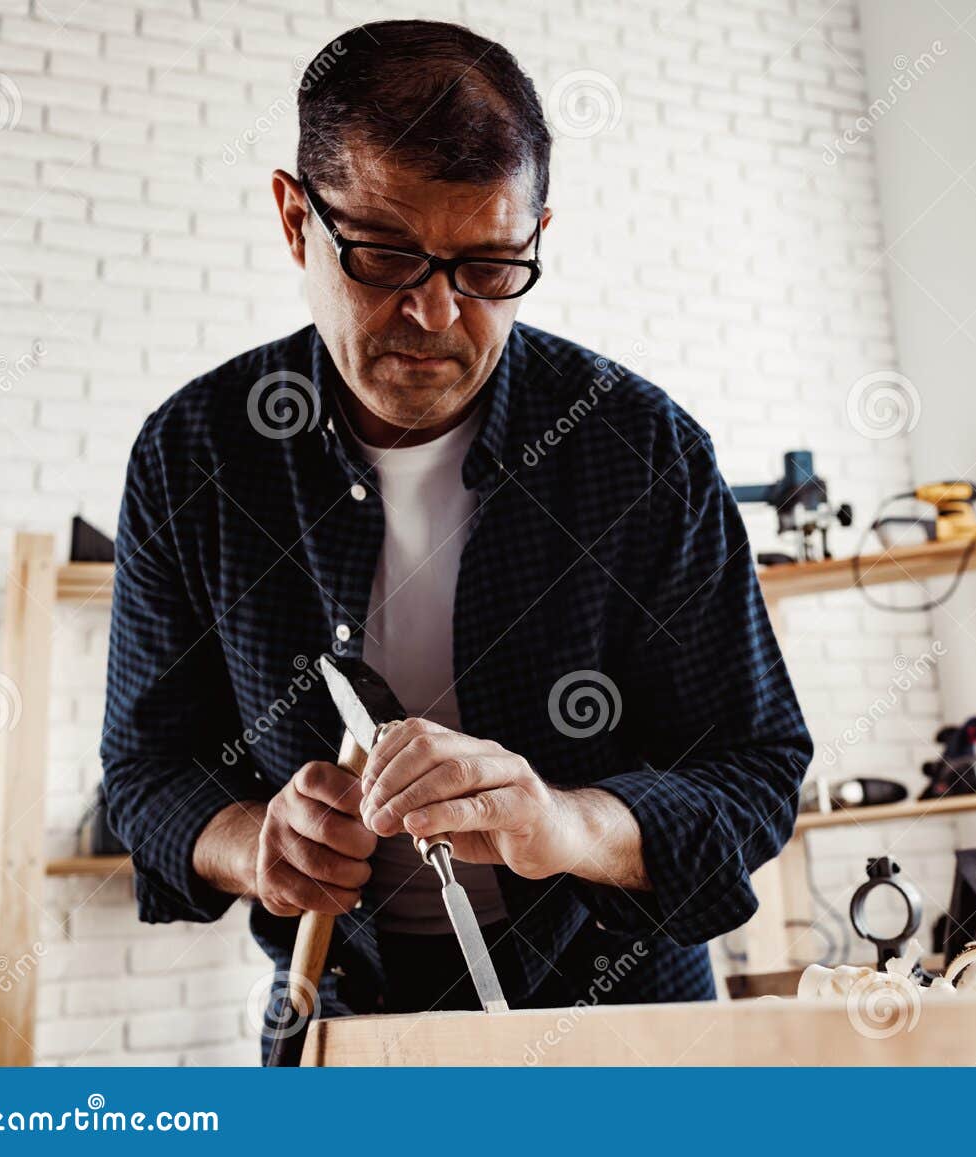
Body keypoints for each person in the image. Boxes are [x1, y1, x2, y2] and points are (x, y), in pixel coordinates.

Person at [99, 19, 810, 1047]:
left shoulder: (641, 448)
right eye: (385, 255)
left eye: (486, 266)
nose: (434, 314)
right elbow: (145, 772)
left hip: (627, 1016)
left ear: (536, 237)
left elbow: (752, 768)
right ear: (294, 219)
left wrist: (562, 821)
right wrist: (254, 844)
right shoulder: (194, 455)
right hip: (342, 1017)